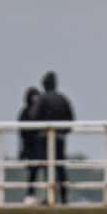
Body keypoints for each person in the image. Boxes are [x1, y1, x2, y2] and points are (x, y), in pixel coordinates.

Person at [34, 70, 75, 204]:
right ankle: (64, 197)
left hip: (45, 138)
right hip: (60, 138)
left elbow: (34, 117)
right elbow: (71, 119)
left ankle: (50, 196)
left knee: (48, 167)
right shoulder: (63, 99)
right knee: (60, 167)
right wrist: (63, 131)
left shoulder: (42, 99)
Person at [17, 86, 44, 203]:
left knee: (43, 170)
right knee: (33, 172)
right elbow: (21, 133)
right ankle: (30, 195)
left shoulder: (37, 112)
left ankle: (46, 195)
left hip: (38, 146)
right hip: (30, 147)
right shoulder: (25, 112)